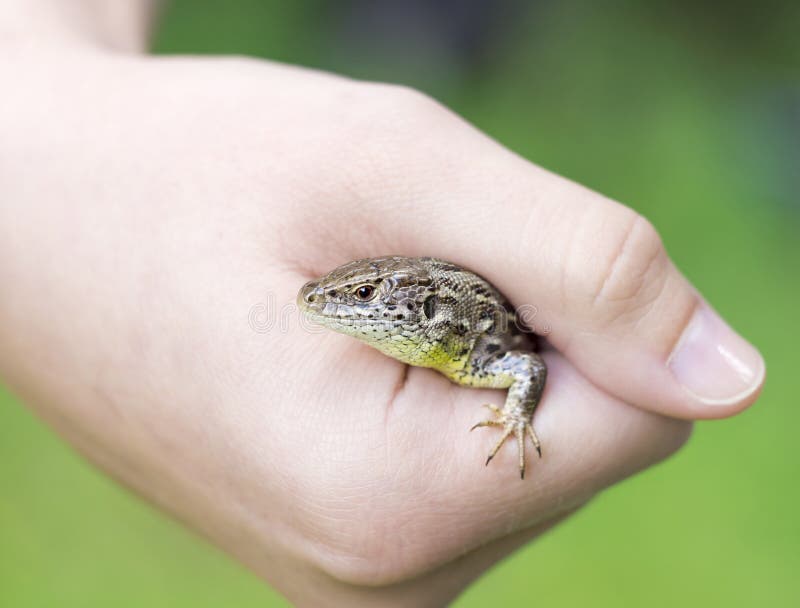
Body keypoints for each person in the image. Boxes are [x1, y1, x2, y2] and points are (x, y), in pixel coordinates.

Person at [0, 2, 764, 606]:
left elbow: (524, 369)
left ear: (423, 313)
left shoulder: (479, 351)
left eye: (364, 298)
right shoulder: (422, 330)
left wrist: (516, 418)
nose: (340, 304)